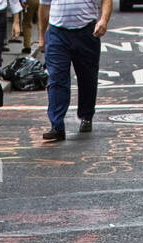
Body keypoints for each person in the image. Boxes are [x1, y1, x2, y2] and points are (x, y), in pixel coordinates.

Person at [38, 0, 107, 141]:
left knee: (87, 77)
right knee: (56, 77)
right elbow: (44, 5)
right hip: (57, 32)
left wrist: (104, 20)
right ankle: (57, 125)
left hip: (87, 32)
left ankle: (86, 115)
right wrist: (41, 35)